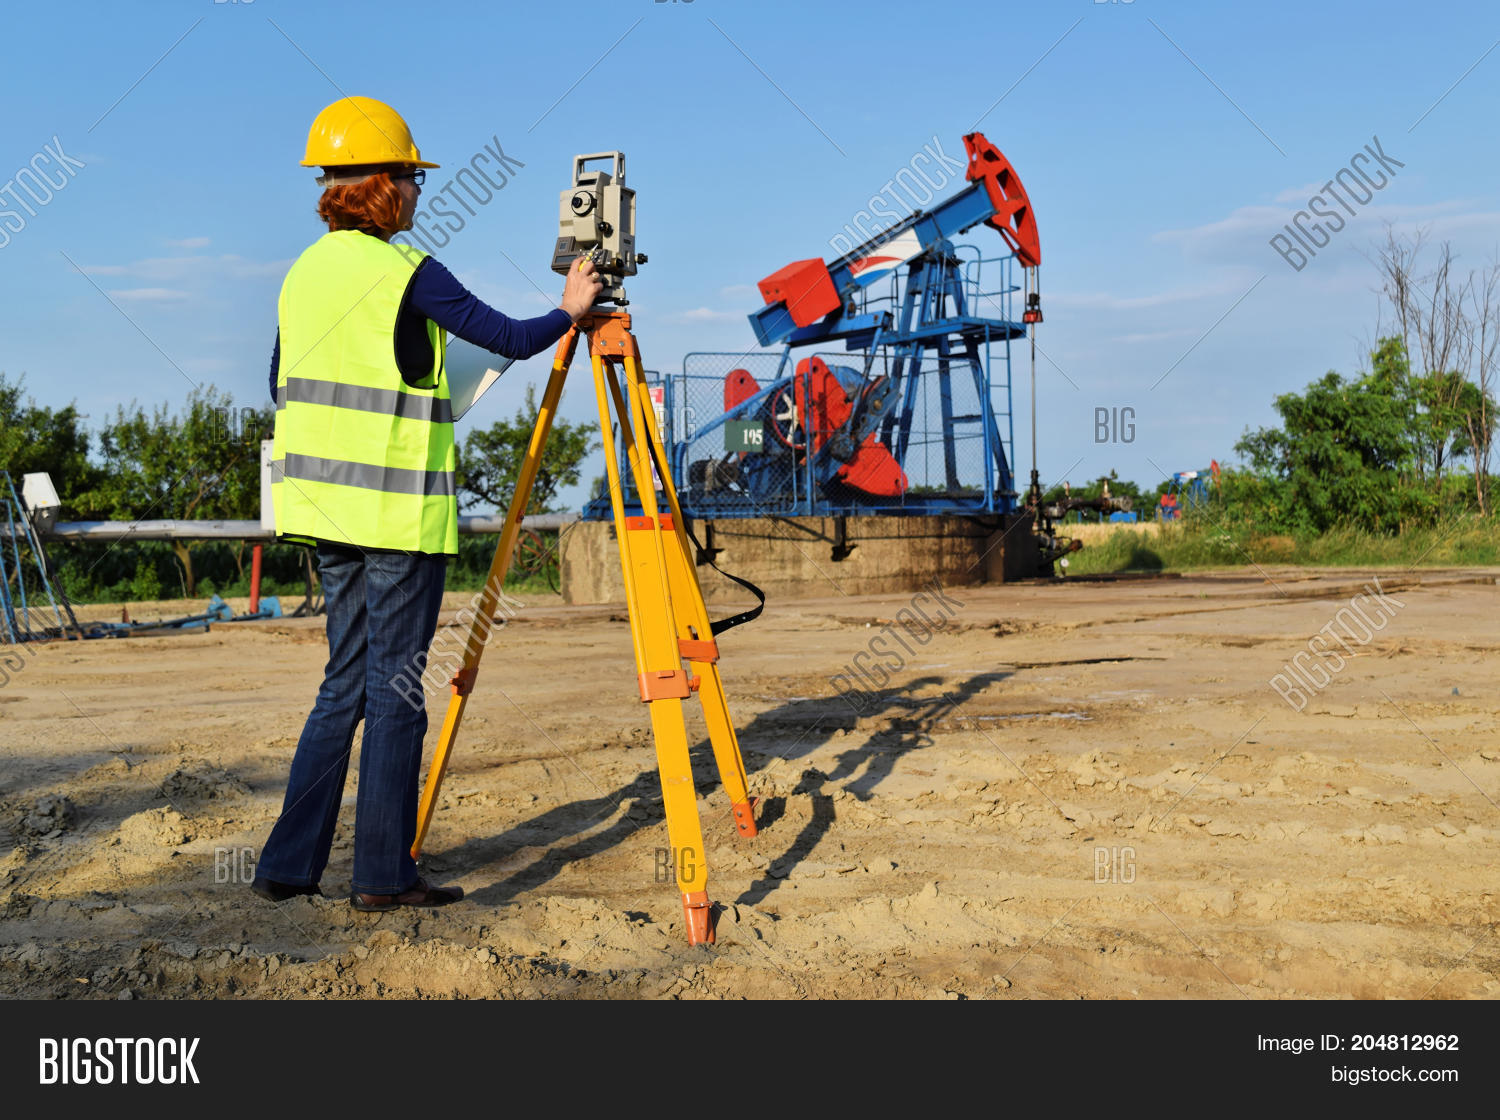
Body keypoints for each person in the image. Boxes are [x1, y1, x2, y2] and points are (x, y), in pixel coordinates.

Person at [251, 96, 601, 911]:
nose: (417, 191)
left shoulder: (302, 275)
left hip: (324, 514)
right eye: (412, 177)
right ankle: (381, 877)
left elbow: (279, 382)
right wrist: (571, 309)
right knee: (395, 691)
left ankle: (286, 867)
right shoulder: (409, 272)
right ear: (383, 186)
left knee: (343, 684)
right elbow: (510, 338)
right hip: (397, 517)